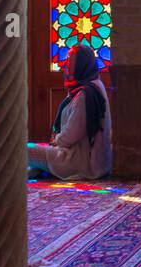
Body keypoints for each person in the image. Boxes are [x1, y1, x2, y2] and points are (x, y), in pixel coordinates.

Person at [28, 44, 112, 181]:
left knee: (26, 149)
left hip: (78, 161)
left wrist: (56, 141)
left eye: (70, 62)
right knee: (35, 165)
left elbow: (71, 136)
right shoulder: (94, 85)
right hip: (88, 159)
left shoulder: (85, 95)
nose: (66, 66)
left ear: (81, 65)